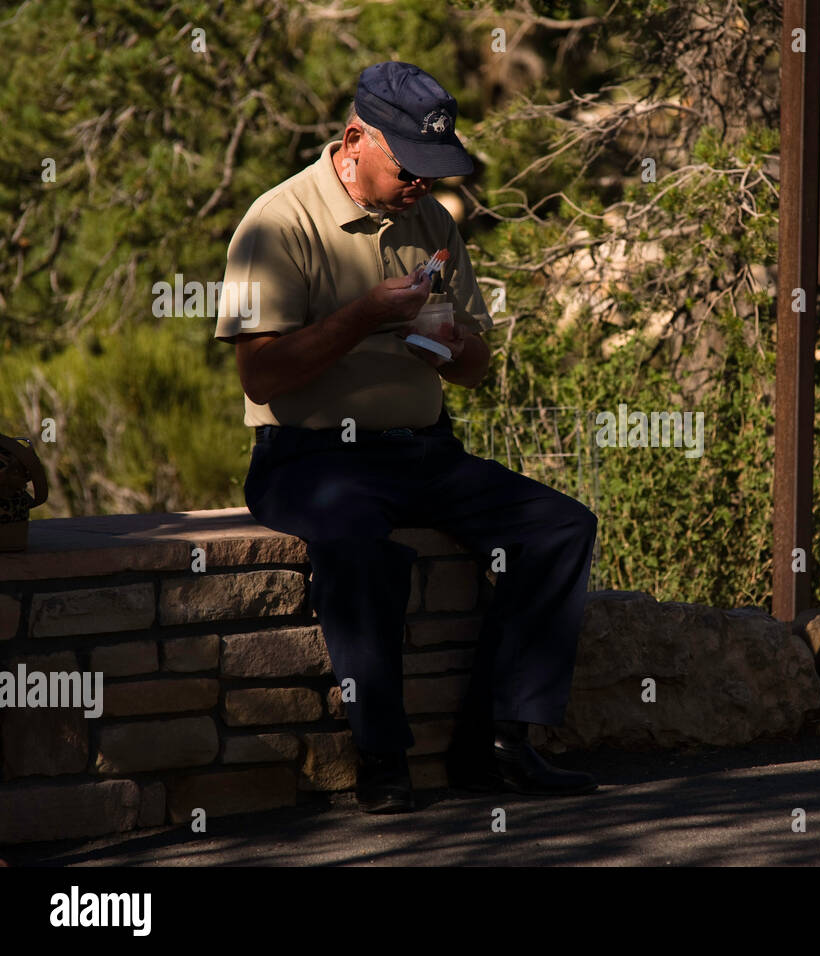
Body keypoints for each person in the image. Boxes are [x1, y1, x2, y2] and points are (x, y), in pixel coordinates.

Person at [213, 62, 599, 813]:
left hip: (422, 450)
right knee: (358, 544)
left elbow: (478, 371)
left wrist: (450, 342)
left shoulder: (432, 221)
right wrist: (364, 316)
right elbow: (260, 377)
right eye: (409, 166)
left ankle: (497, 744)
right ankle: (382, 757)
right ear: (356, 138)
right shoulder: (277, 222)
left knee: (560, 527)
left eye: (434, 168)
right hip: (309, 459)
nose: (422, 183)